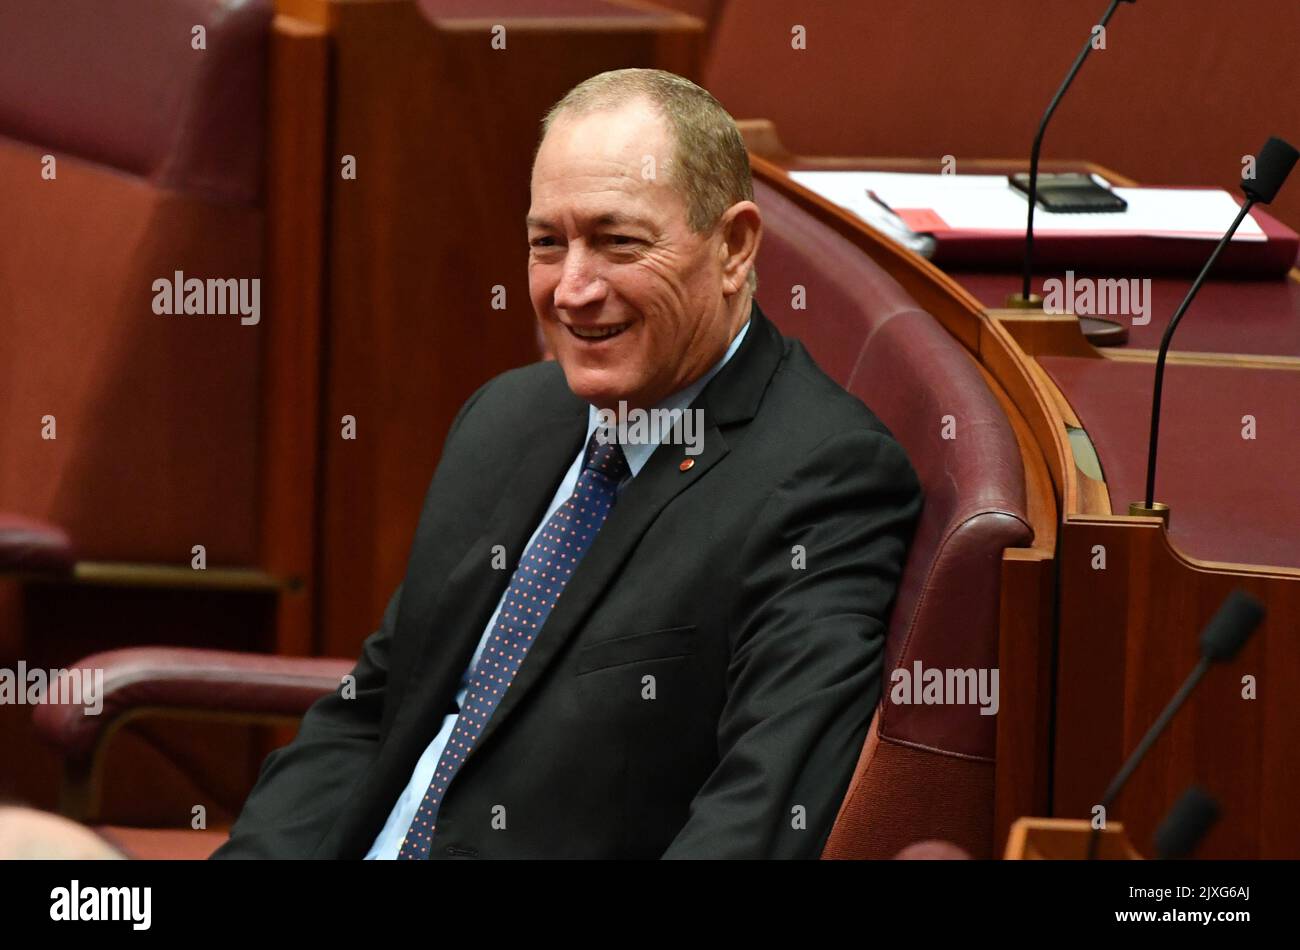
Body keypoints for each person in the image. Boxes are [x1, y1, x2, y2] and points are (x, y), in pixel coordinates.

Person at [213, 68, 922, 860]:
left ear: (733, 247)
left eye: (618, 242)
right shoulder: (508, 419)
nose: (572, 290)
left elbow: (752, 827)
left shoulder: (823, 482)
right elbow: (375, 710)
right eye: (548, 243)